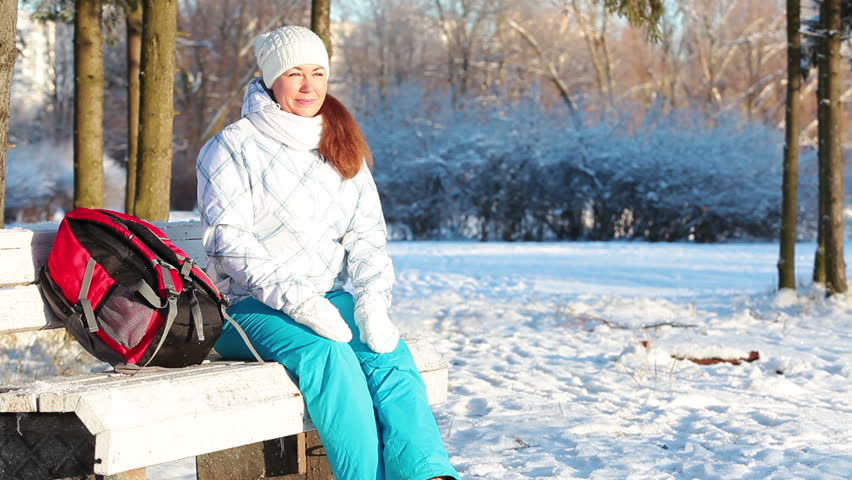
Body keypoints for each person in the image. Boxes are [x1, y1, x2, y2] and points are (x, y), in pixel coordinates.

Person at [195, 25, 460, 480]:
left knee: (387, 351)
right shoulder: (231, 147)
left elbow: (368, 236)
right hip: (248, 309)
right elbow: (228, 241)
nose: (307, 86)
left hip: (328, 299)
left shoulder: (339, 143)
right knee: (329, 355)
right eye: (294, 74)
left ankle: (428, 474)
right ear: (271, 79)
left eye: (318, 73)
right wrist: (300, 303)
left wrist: (372, 303)